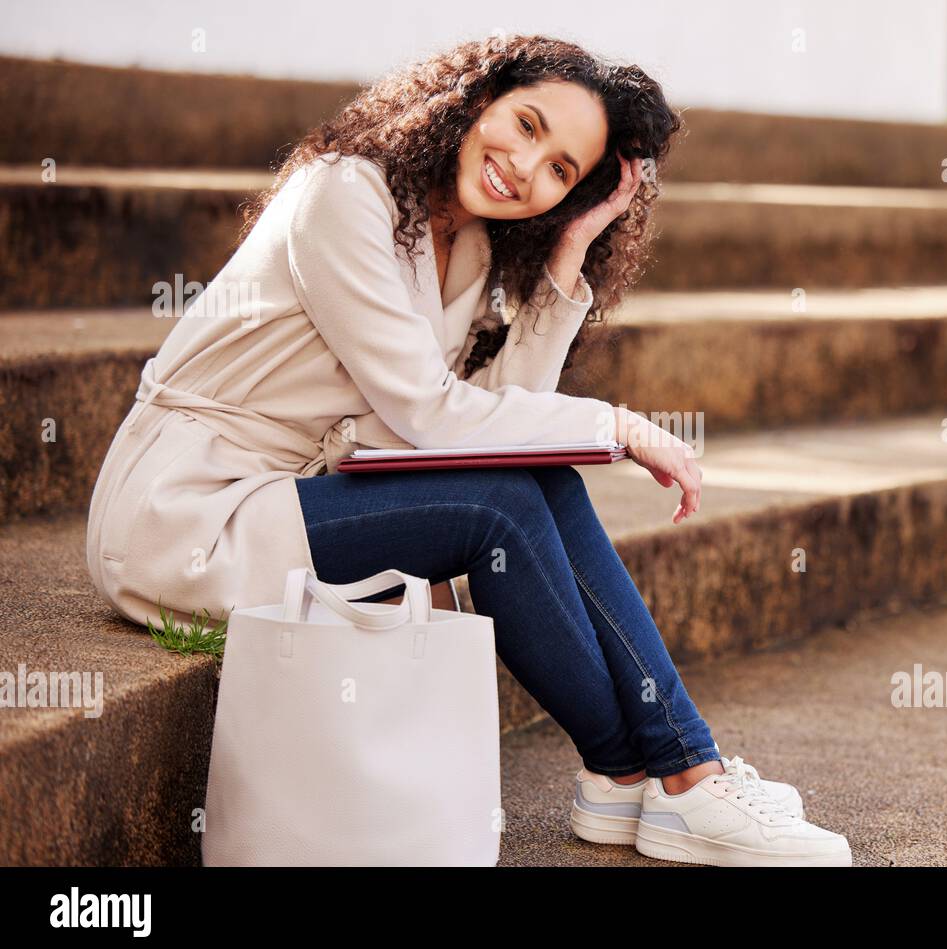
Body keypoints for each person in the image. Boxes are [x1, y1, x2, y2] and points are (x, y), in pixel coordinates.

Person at [84, 33, 850, 867]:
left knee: (531, 474)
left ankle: (650, 771)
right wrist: (617, 426)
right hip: (186, 513)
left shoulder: (466, 244)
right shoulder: (344, 194)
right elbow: (428, 413)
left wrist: (568, 251)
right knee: (500, 503)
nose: (525, 167)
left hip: (293, 499)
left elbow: (489, 420)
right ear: (475, 95)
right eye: (525, 124)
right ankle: (667, 769)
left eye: (561, 170)